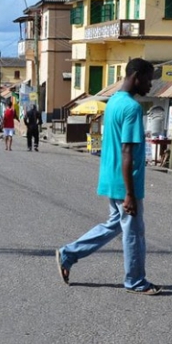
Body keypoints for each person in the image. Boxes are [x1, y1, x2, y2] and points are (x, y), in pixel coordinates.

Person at [55, 58, 162, 295]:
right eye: (148, 79)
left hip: (112, 178)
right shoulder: (132, 108)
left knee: (114, 225)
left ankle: (69, 253)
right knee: (133, 233)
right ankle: (135, 281)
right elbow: (127, 151)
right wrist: (130, 194)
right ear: (136, 77)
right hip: (125, 183)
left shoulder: (113, 101)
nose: (150, 85)